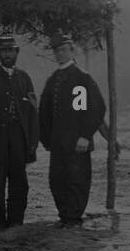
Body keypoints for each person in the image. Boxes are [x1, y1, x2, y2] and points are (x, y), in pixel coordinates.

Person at [39, 33, 105, 227]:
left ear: (72, 50)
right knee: (57, 179)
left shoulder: (80, 78)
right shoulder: (54, 80)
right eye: (56, 51)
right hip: (58, 142)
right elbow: (45, 112)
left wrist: (84, 136)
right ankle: (64, 216)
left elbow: (92, 110)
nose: (60, 54)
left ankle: (73, 219)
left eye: (63, 50)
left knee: (76, 180)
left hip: (77, 143)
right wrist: (46, 139)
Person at [0, 34, 39, 230]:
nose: (7, 54)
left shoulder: (24, 78)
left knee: (19, 180)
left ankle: (16, 221)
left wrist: (31, 142)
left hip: (18, 138)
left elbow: (31, 113)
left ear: (16, 53)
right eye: (3, 51)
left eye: (10, 50)